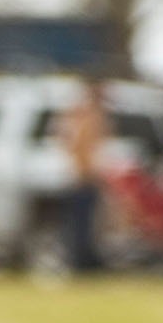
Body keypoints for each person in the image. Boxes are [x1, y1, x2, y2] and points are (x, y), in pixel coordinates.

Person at [57, 80, 112, 274]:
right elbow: (77, 147)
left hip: (87, 177)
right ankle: (80, 261)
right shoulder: (84, 117)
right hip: (83, 178)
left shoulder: (90, 117)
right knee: (81, 225)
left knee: (88, 224)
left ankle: (86, 259)